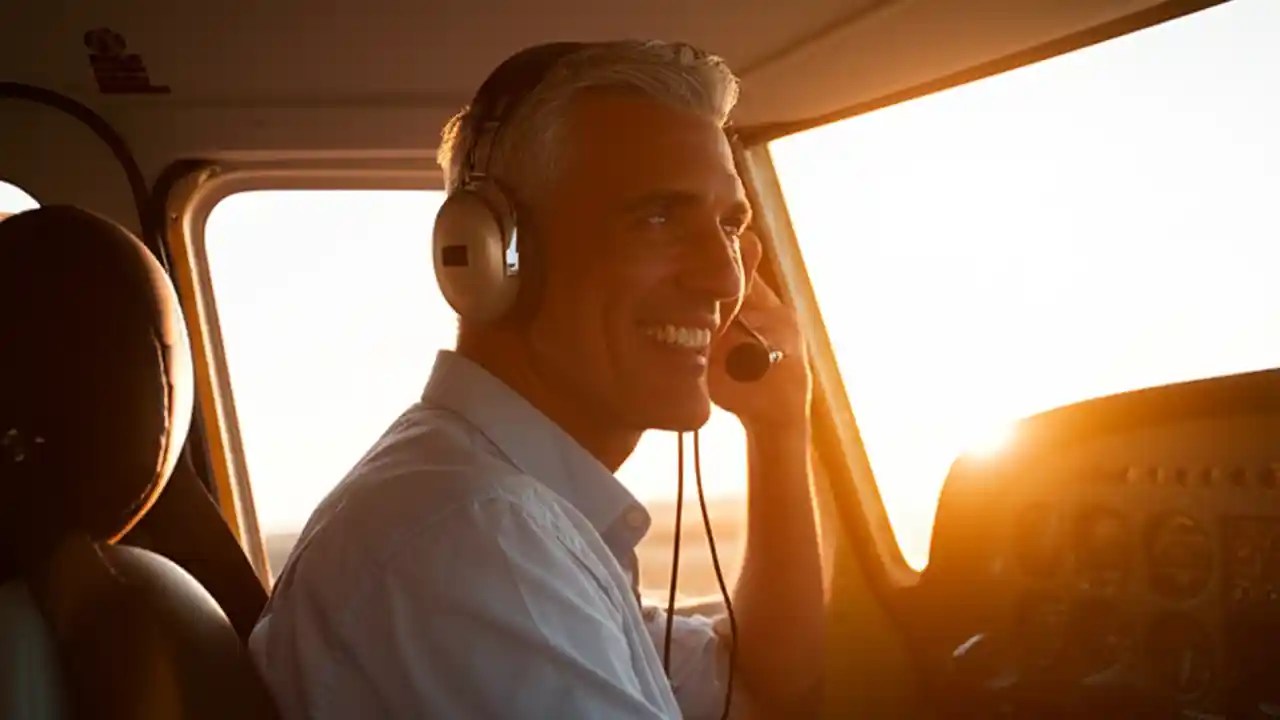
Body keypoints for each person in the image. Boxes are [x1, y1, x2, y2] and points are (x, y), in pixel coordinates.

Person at [248, 39, 825, 719]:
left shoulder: (515, 510)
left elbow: (754, 687)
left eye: (729, 226)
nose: (725, 279)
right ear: (492, 256)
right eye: (658, 217)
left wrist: (779, 428)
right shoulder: (477, 538)